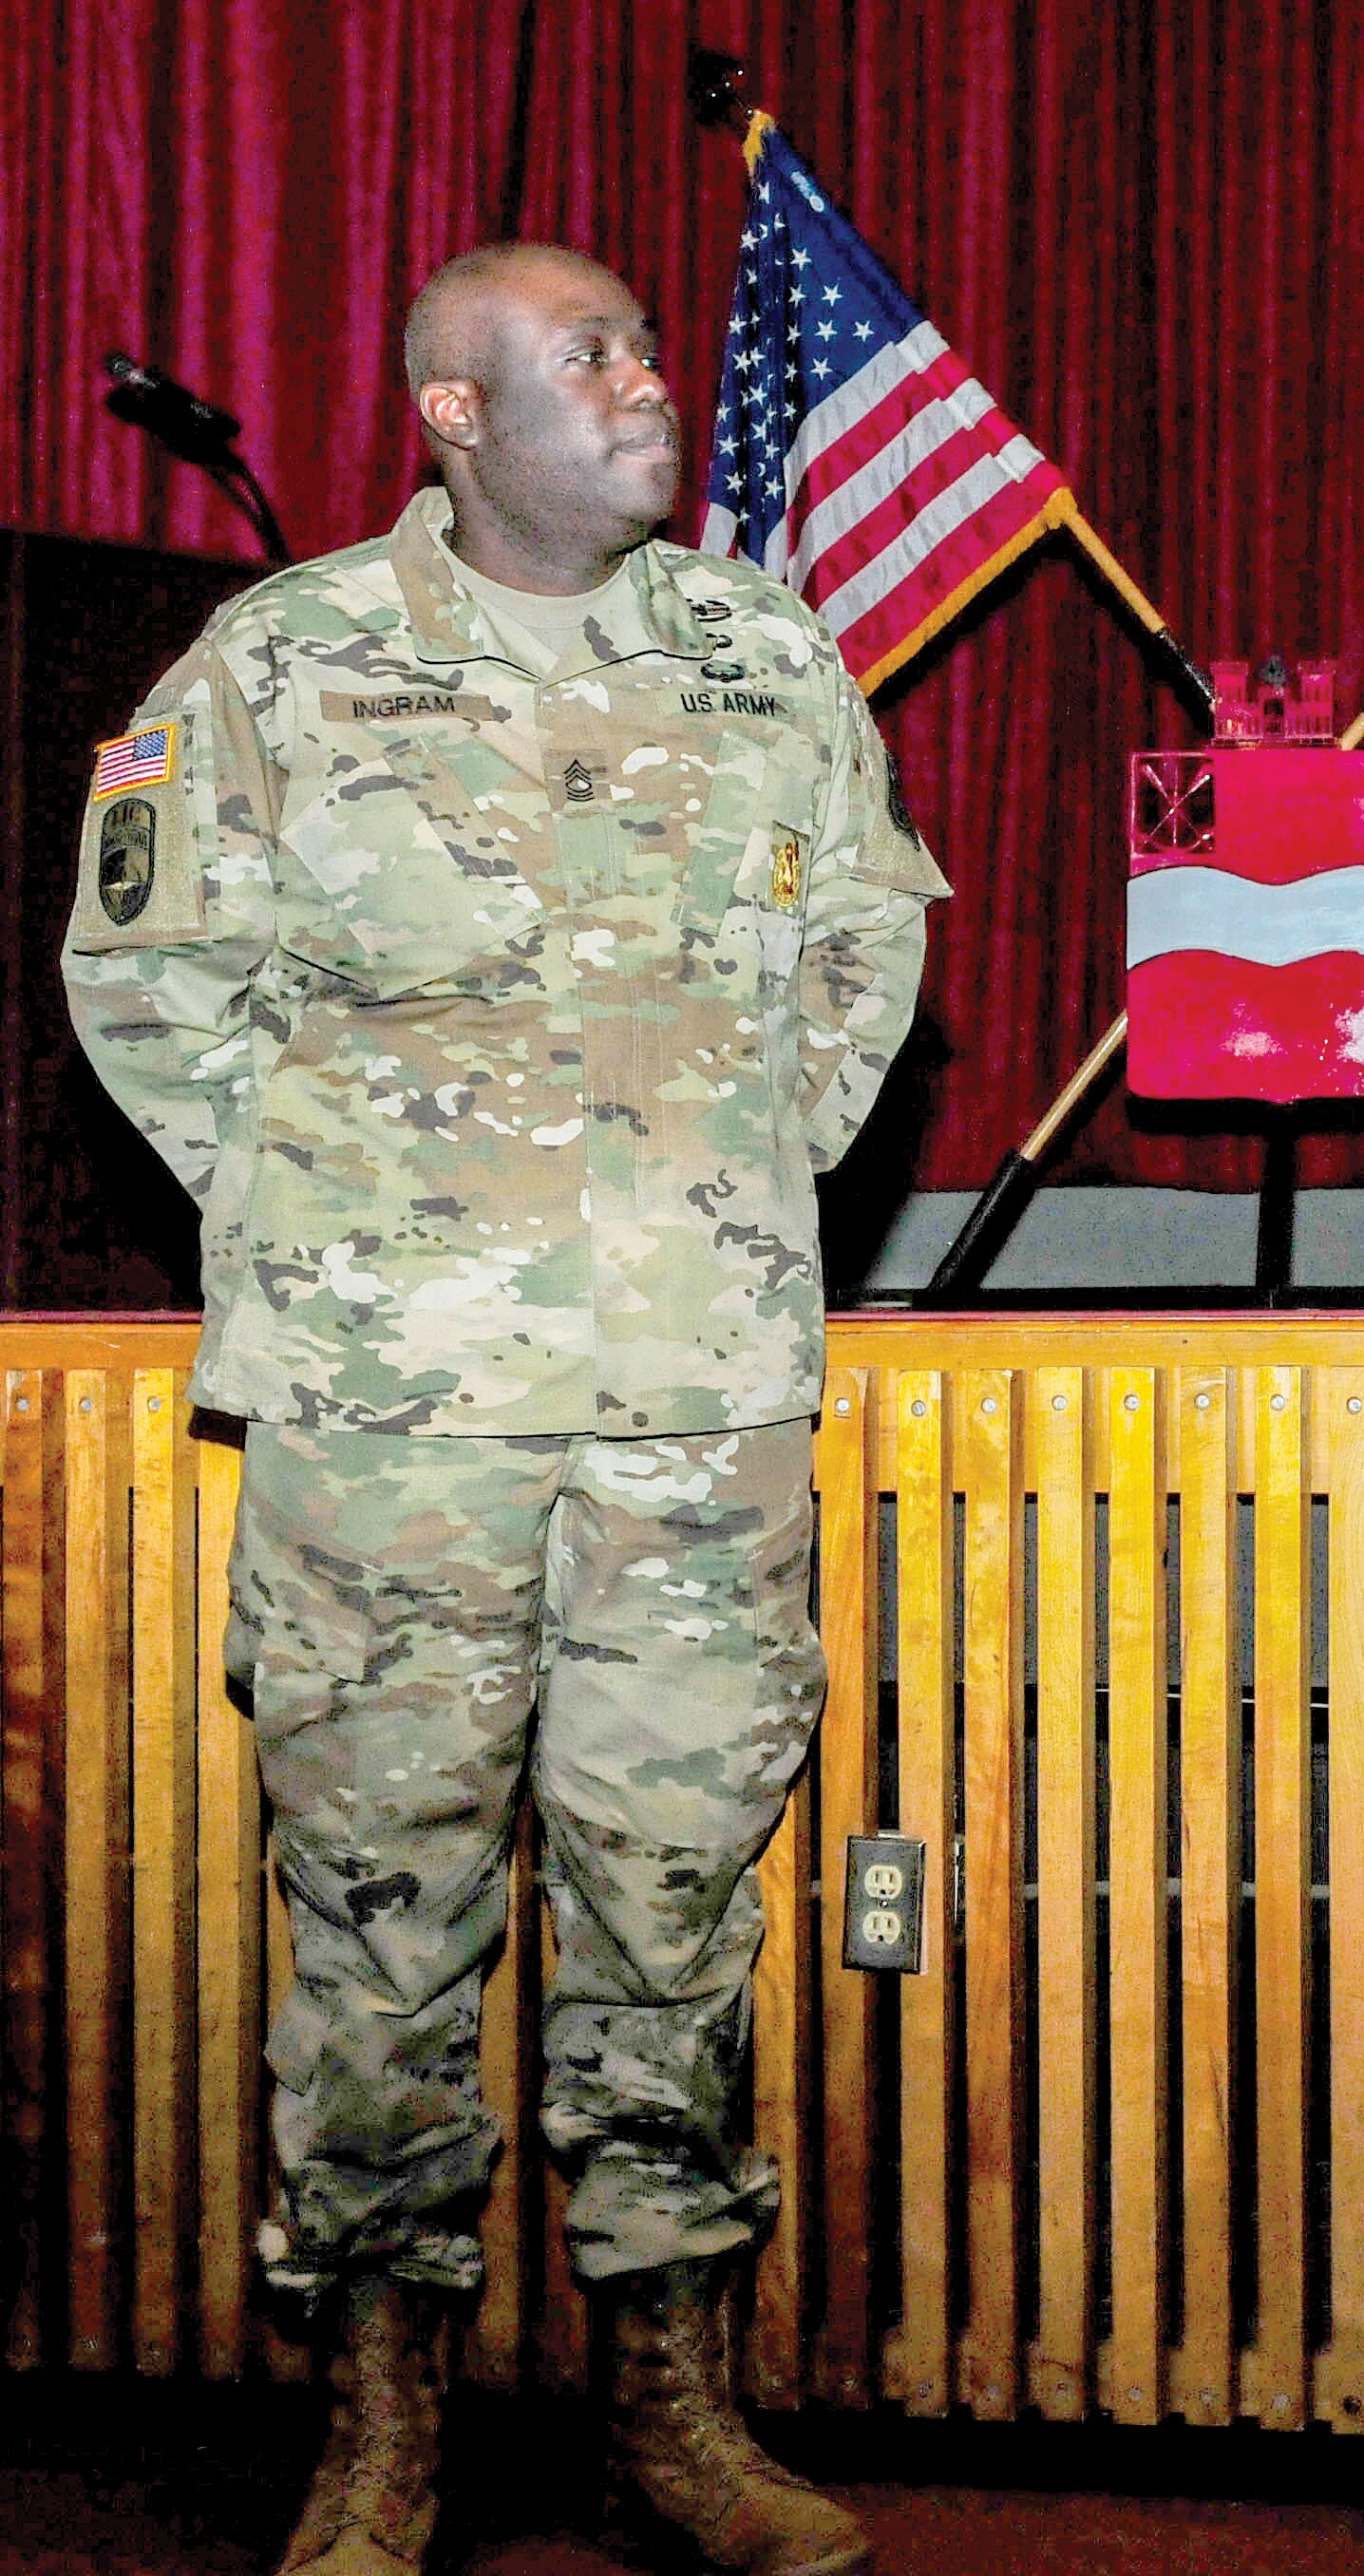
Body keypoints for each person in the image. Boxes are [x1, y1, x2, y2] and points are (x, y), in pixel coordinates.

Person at [62, 242, 946, 2576]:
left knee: (679, 1906)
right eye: (595, 358)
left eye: (650, 348)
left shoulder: (764, 656)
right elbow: (147, 974)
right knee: (379, 1912)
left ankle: (677, 2406)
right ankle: (380, 2426)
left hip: (693, 1409)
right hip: (394, 1419)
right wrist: (333, 1232)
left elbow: (871, 945)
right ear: (454, 411)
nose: (649, 388)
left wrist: (729, 1186)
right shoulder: (282, 666)